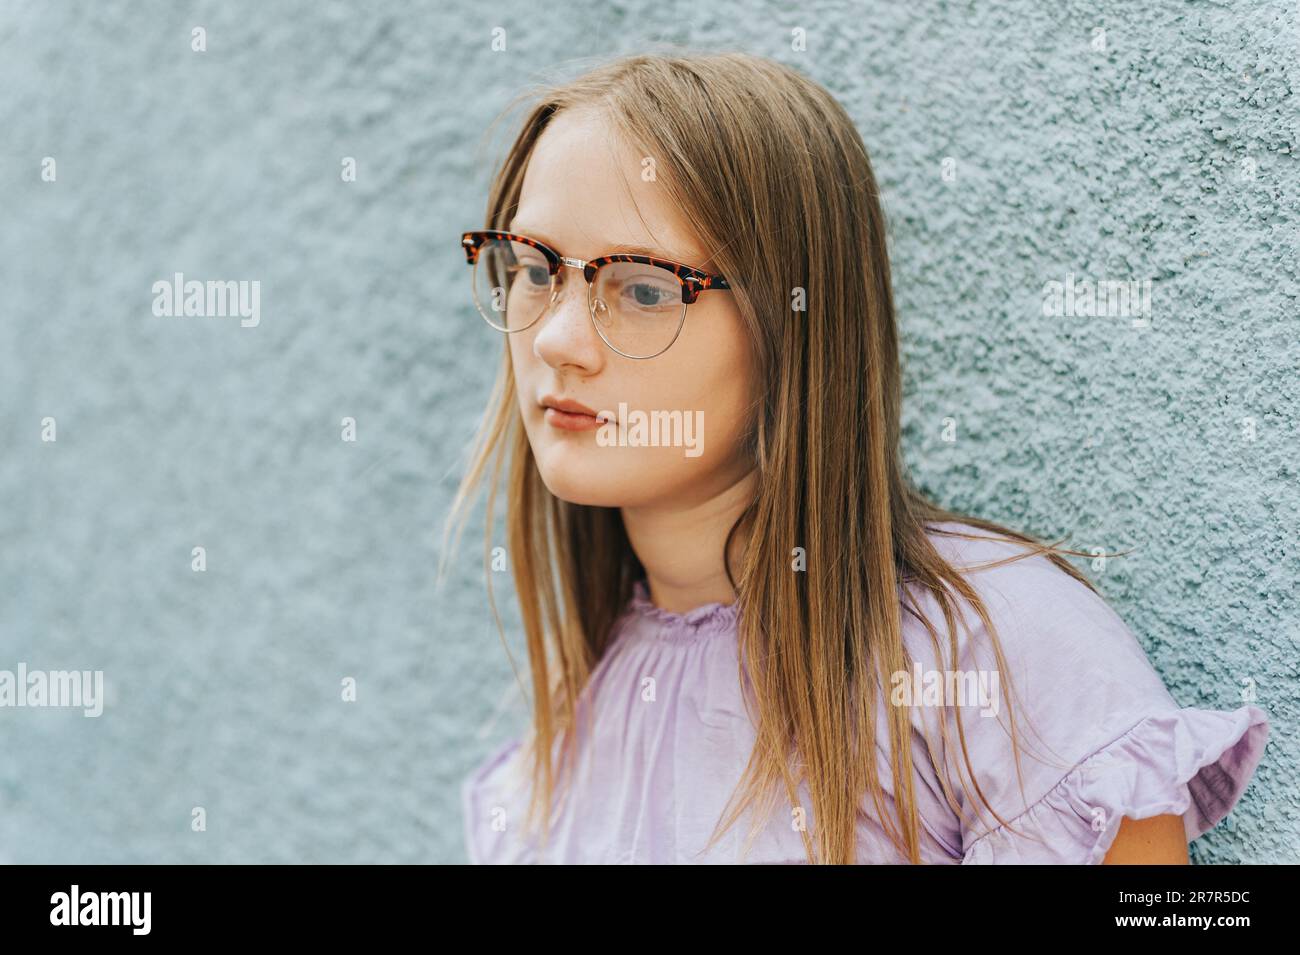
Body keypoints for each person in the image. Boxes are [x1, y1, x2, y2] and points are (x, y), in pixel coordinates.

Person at [442, 51, 1269, 864]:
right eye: (536, 268)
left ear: (791, 319)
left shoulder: (995, 654)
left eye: (645, 288)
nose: (556, 339)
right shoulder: (568, 732)